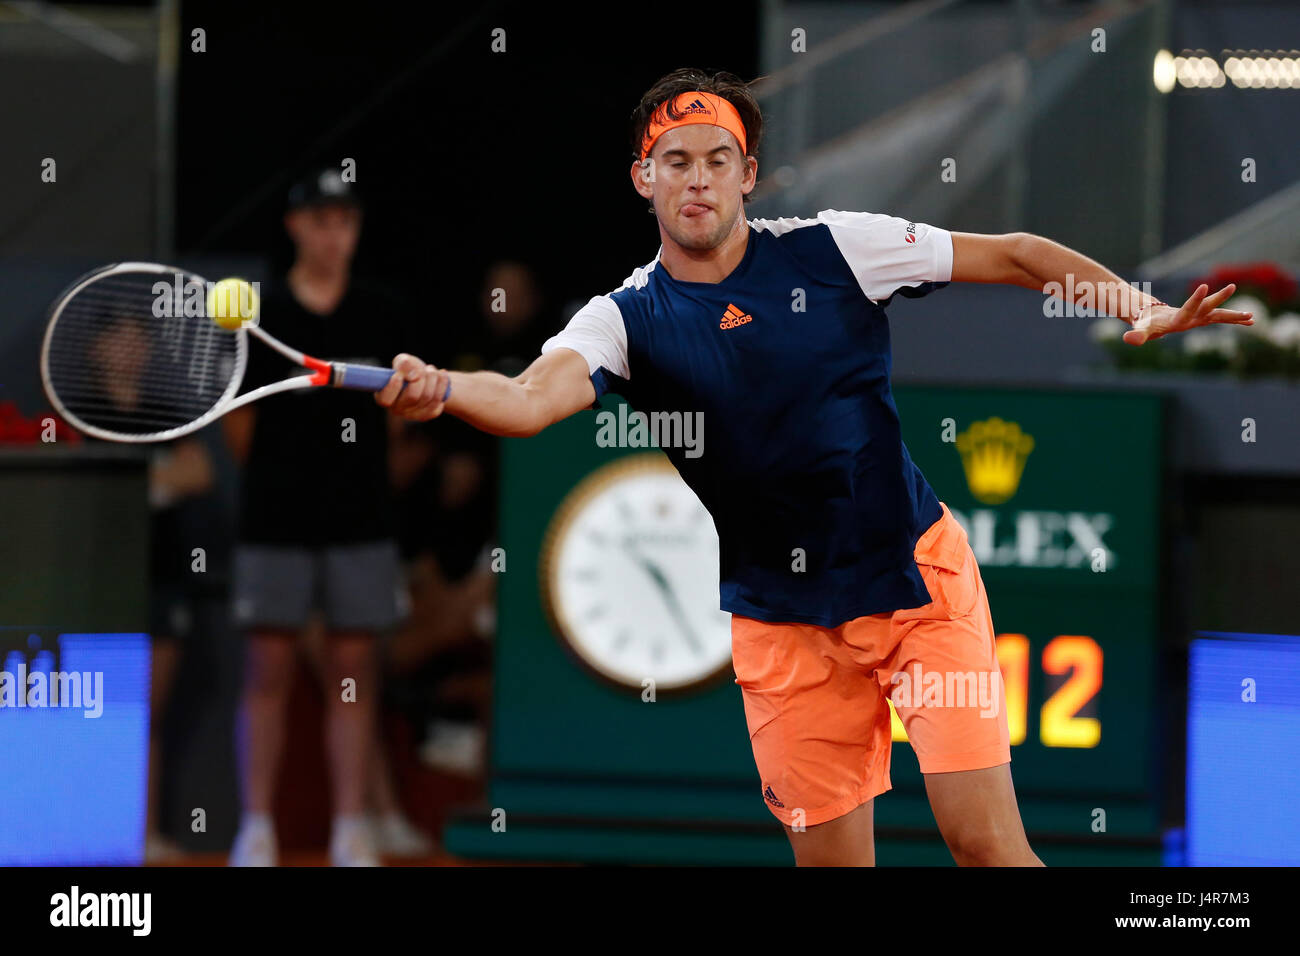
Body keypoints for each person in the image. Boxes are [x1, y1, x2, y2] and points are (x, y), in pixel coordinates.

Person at [375, 68, 1254, 866]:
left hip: (915, 585)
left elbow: (1016, 252)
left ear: (748, 175)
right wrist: (443, 388)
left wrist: (1134, 306)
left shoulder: (839, 249)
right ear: (644, 178)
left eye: (718, 160)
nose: (698, 179)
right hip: (782, 625)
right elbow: (529, 400)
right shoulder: (624, 318)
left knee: (984, 844)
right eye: (676, 162)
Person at [223, 168, 424, 866]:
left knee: (352, 671)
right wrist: (286, 481)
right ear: (295, 227)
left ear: (356, 229)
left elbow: (399, 421)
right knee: (267, 669)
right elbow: (239, 431)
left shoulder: (383, 312)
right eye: (319, 220)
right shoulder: (257, 313)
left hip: (359, 523)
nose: (333, 234)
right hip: (274, 524)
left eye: (344, 221)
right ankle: (256, 828)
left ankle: (350, 828)